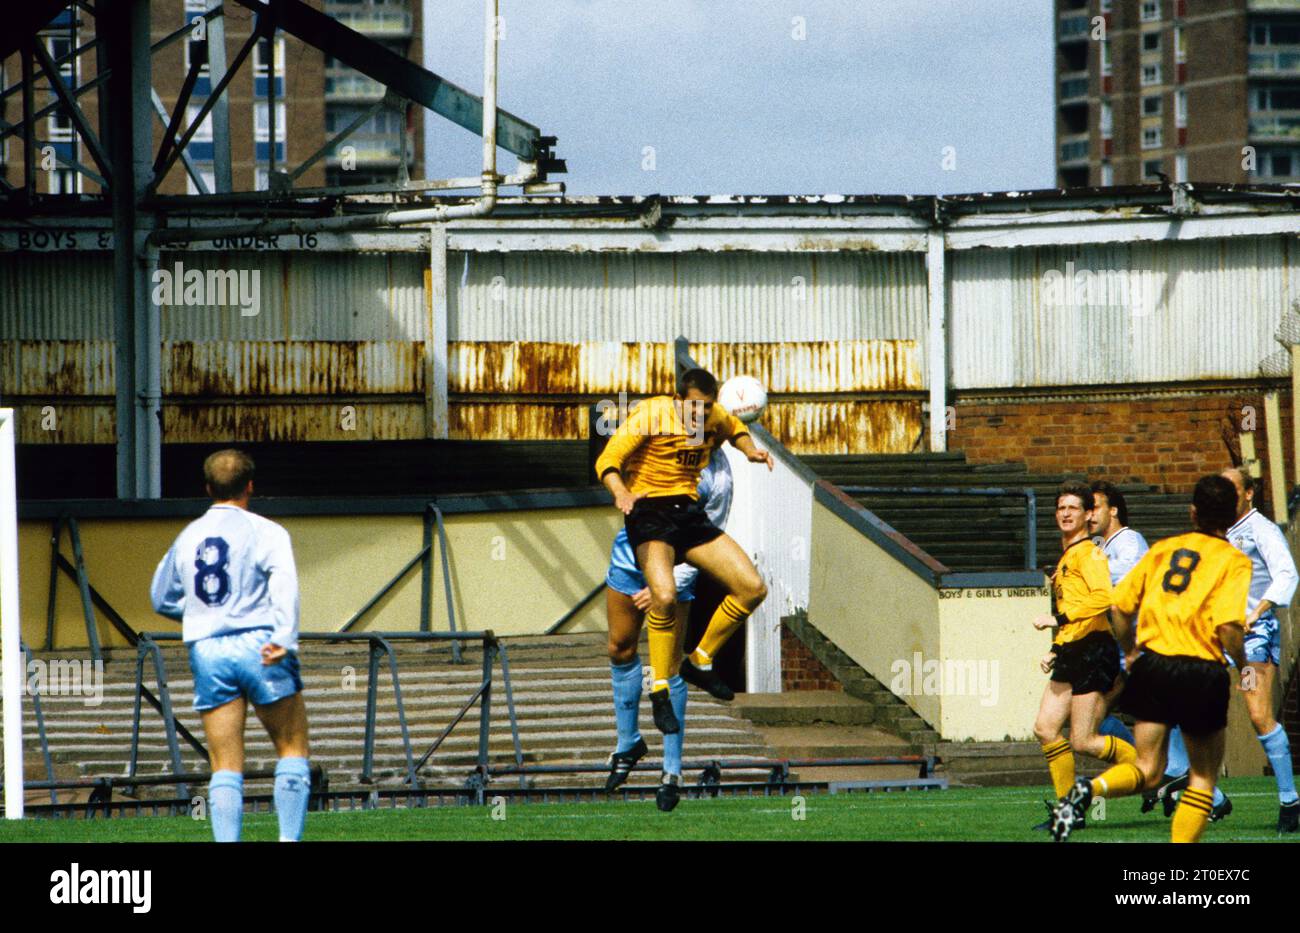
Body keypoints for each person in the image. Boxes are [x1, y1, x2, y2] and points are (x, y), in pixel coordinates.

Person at [1051, 474, 1251, 843]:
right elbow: (1228, 629)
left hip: (1153, 665)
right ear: (1235, 514)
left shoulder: (1163, 549)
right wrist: (1244, 665)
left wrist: (1129, 649)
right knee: (1203, 777)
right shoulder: (1234, 561)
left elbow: (1122, 606)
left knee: (1147, 767)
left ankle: (1087, 790)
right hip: (1199, 667)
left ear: (1192, 513)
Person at [594, 368, 771, 740]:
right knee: (664, 594)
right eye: (693, 407)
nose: (700, 416)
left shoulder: (712, 417)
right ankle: (659, 688)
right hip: (649, 512)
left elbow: (734, 429)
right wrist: (620, 492)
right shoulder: (652, 413)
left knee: (752, 587)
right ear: (678, 400)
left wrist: (751, 450)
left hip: (687, 512)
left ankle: (701, 660)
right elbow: (607, 460)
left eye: (706, 408)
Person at [150, 449, 311, 842]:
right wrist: (284, 637)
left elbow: (160, 597)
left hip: (209, 649)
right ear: (251, 486)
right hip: (259, 643)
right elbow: (284, 583)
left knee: (224, 763)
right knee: (291, 748)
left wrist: (202, 616)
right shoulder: (267, 531)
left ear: (208, 488)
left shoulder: (188, 536)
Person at [1157, 467, 1298, 831]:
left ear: (1248, 493)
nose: (1224, 494)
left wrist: (1257, 611)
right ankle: (1207, 794)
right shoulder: (1215, 535)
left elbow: (1286, 574)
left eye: (1231, 488)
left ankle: (1290, 802)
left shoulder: (1260, 530)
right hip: (1214, 633)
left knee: (1257, 713)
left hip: (1253, 635)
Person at [605, 445, 733, 812]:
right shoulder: (657, 443)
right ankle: (628, 743)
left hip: (674, 572)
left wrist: (665, 585)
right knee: (619, 648)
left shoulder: (720, 477)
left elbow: (709, 539)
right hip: (630, 556)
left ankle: (671, 771)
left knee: (669, 665)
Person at [1031, 481, 1137, 832]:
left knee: (1083, 741)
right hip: (1074, 649)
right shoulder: (1067, 556)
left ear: (1088, 515)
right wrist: (1057, 647)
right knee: (1045, 729)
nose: (1065, 513)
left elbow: (1103, 597)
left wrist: (1058, 619)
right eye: (1061, 507)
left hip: (1094, 651)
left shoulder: (1089, 553)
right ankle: (1067, 810)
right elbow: (1077, 611)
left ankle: (1151, 771)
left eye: (1073, 508)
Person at [1088, 480, 1147, 749]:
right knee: (1093, 717)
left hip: (1146, 644)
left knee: (1161, 720)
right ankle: (1143, 767)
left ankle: (1209, 791)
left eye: (1095, 507)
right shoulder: (1101, 546)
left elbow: (1127, 577)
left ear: (1113, 510)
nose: (1089, 515)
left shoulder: (1130, 540)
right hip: (1125, 647)